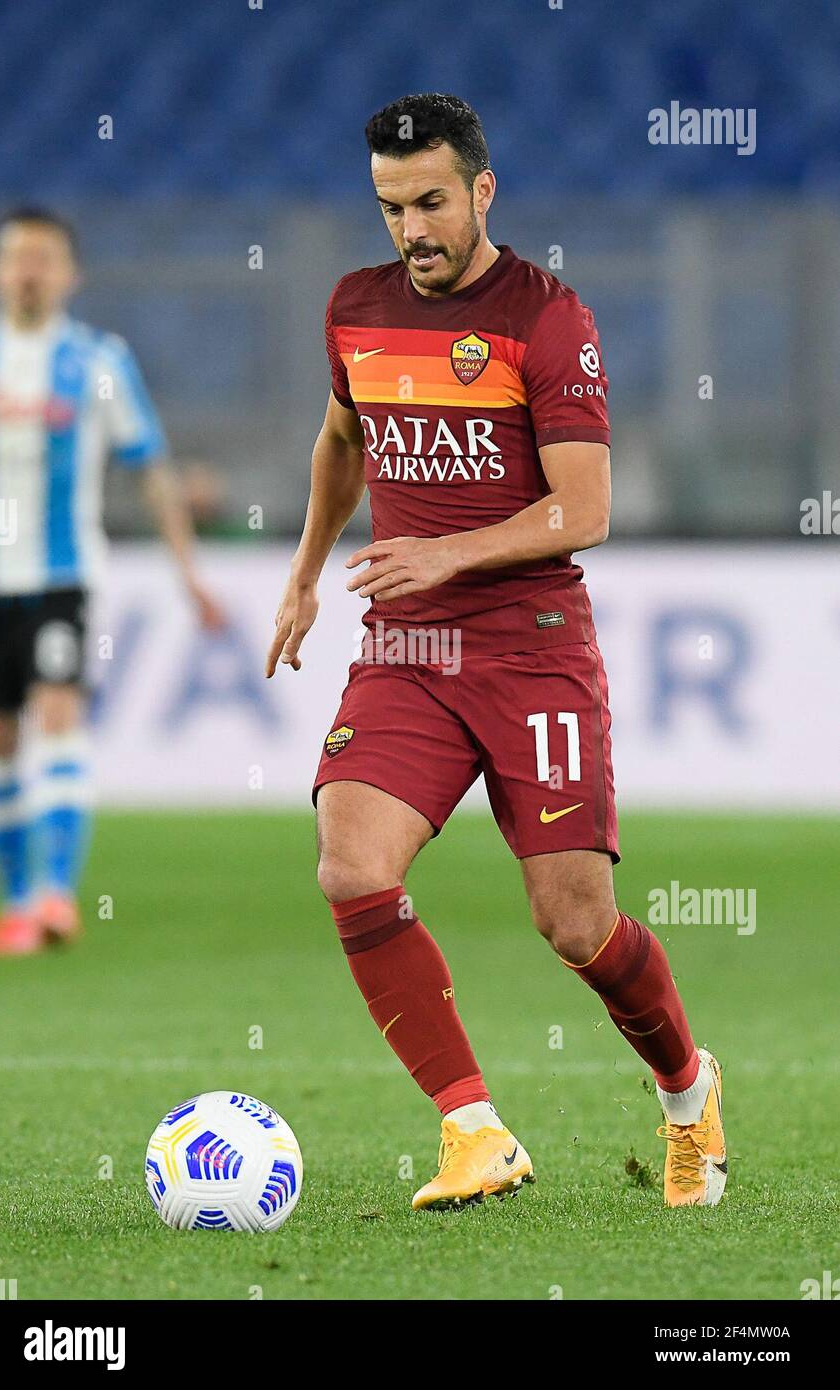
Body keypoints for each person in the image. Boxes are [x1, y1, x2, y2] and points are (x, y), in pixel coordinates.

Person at [267, 95, 726, 1211]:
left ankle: (685, 1090)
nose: (411, 230)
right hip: (407, 646)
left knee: (573, 922)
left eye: (430, 202)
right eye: (389, 208)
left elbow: (584, 510)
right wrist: (304, 570)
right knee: (350, 862)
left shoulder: (547, 319)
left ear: (480, 191)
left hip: (531, 648)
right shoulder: (354, 308)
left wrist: (446, 553)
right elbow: (341, 443)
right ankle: (473, 1130)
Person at [0, 207, 223, 956]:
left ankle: (55, 896)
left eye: (43, 257)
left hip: (64, 575)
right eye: (15, 255)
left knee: (57, 713)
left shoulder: (98, 362)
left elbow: (149, 469)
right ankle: (18, 904)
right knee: (1, 737)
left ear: (69, 274)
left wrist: (189, 573)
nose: (28, 269)